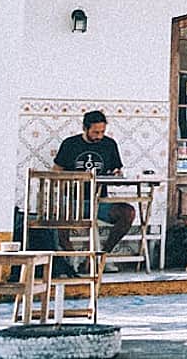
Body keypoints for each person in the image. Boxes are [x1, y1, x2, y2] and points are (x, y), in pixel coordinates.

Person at [53, 110, 136, 265]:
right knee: (59, 216)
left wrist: (117, 174)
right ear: (85, 128)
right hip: (72, 201)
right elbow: (56, 171)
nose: (99, 136)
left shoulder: (109, 144)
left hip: (99, 202)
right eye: (95, 132)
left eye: (102, 132)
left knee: (128, 212)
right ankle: (71, 258)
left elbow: (117, 171)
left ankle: (101, 256)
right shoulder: (70, 144)